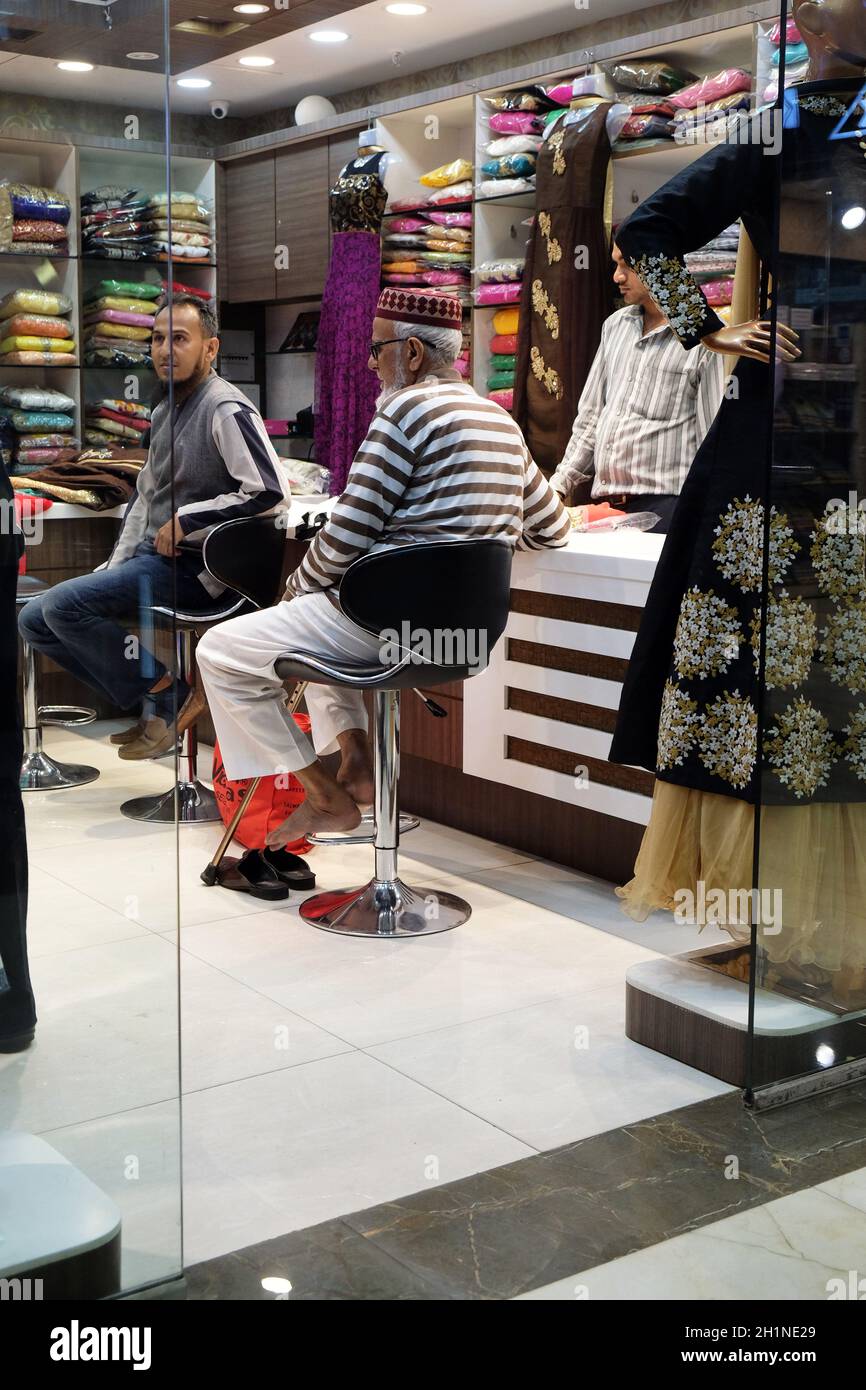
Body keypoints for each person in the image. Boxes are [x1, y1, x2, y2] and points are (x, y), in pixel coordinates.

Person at [608, 0, 866, 1009]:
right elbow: (644, 230)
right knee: (779, 683)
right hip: (782, 444)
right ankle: (791, 927)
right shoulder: (778, 127)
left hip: (826, 445)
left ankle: (814, 927)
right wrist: (712, 331)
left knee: (821, 682)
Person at [196, 289, 570, 844]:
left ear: (412, 353)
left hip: (389, 624)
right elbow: (552, 529)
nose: (370, 364)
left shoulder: (403, 410)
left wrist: (294, 590)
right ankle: (359, 760)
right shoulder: (500, 420)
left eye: (377, 349)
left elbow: (347, 532)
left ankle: (325, 796)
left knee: (223, 651)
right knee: (313, 634)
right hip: (466, 635)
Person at [18, 294, 291, 761]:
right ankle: (156, 697)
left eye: (180, 339)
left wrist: (189, 520)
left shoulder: (224, 407)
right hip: (156, 561)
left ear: (210, 349)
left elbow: (268, 491)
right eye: (158, 339)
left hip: (204, 573)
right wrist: (111, 567)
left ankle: (166, 698)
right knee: (33, 620)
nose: (166, 350)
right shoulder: (164, 412)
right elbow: (144, 502)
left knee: (62, 608)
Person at [549, 244, 726, 532]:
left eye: (626, 266)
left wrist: (708, 514)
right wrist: (559, 486)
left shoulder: (704, 337)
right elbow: (592, 417)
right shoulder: (615, 326)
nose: (617, 277)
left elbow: (712, 436)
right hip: (606, 506)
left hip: (667, 506)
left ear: (659, 262)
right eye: (616, 265)